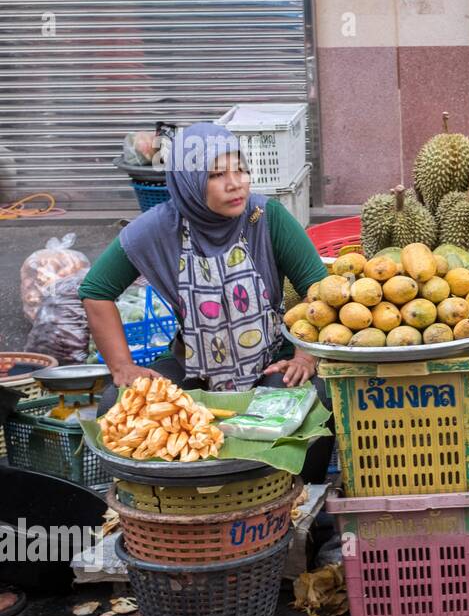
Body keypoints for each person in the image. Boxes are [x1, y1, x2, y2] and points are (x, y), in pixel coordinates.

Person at [80, 122, 332, 479]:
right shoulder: (157, 229)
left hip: (268, 364)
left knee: (310, 400)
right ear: (188, 181)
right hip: (192, 369)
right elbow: (95, 290)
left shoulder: (267, 218)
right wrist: (122, 366)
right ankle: (172, 505)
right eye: (216, 174)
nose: (236, 183)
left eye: (240, 169)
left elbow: (319, 289)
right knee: (116, 404)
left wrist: (304, 357)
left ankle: (302, 499)